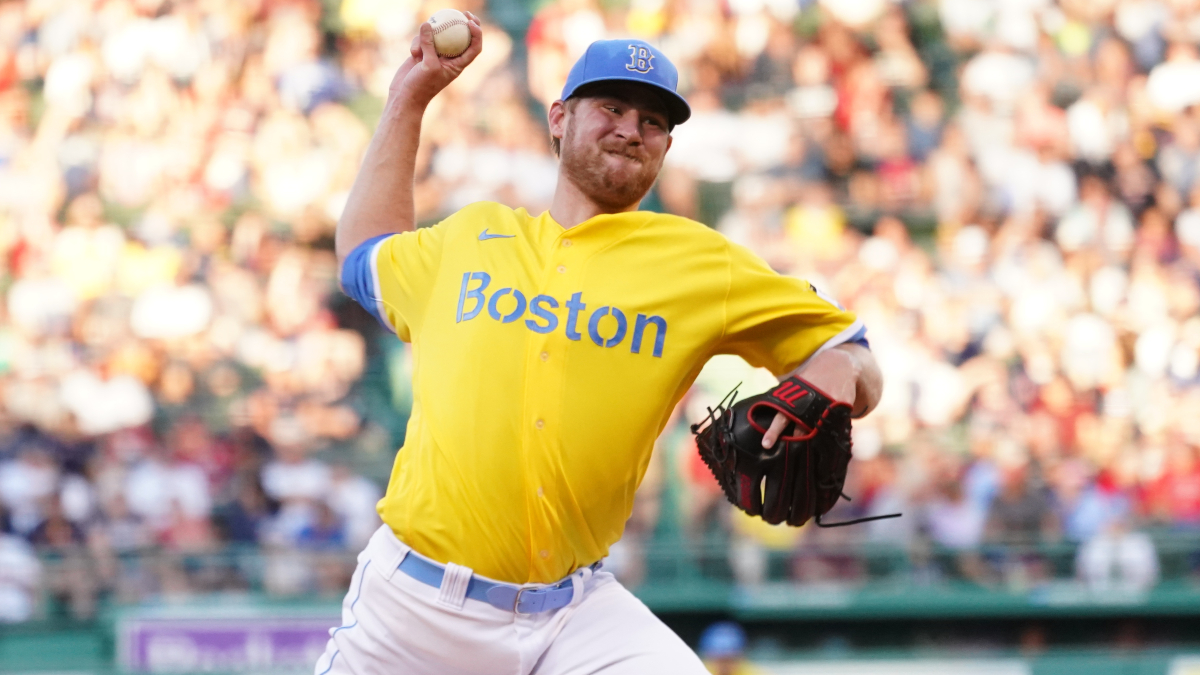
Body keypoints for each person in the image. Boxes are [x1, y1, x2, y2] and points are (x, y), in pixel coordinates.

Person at [320, 14, 882, 674]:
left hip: (572, 613)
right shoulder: (473, 236)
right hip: (412, 611)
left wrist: (840, 371)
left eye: (652, 121)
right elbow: (362, 253)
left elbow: (854, 350)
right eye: (611, 107)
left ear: (666, 148)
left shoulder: (701, 263)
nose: (631, 129)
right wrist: (408, 98)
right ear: (559, 118)